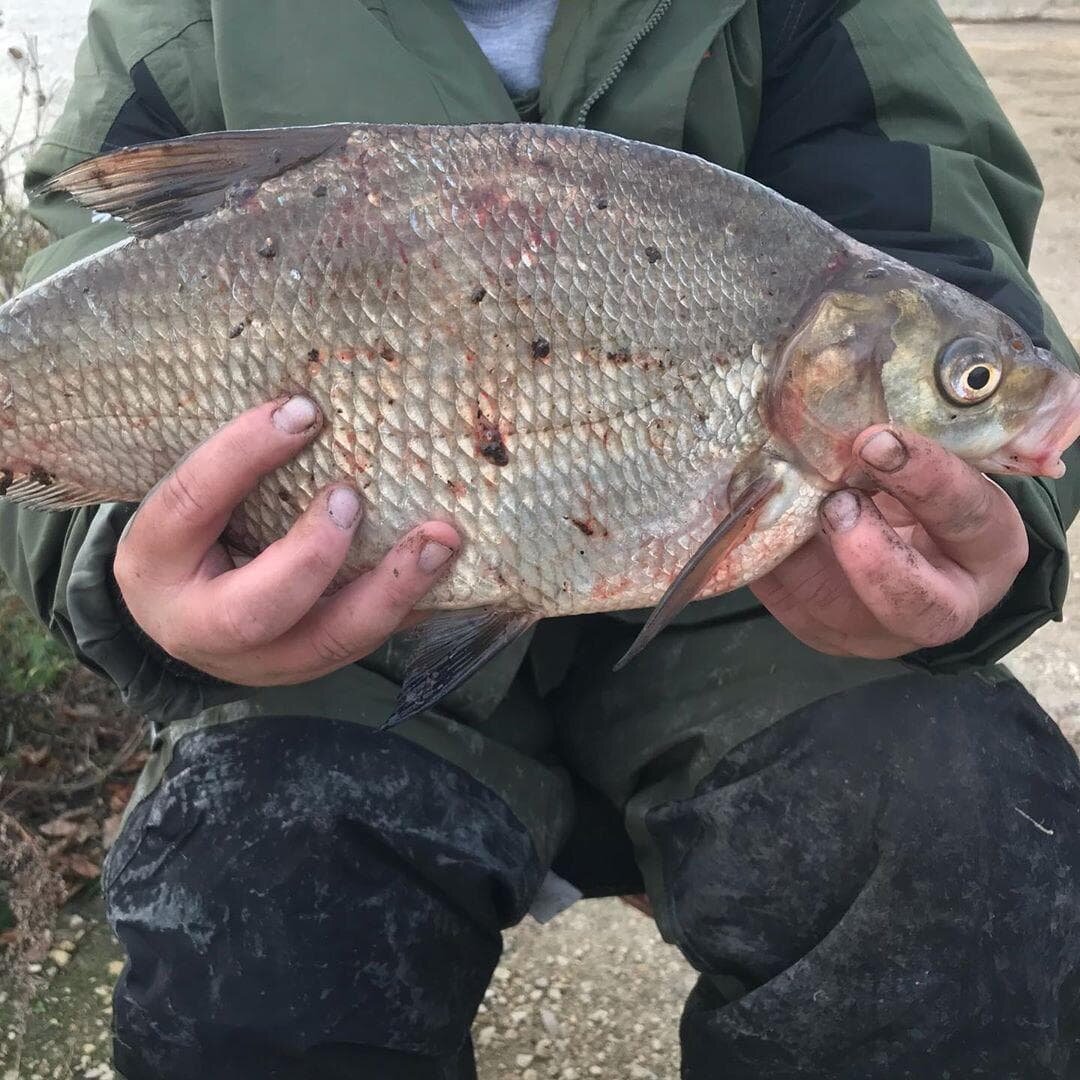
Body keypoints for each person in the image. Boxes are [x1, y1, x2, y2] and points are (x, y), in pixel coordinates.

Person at [4, 0, 1080, 1076]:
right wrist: (137, 575)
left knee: (972, 859)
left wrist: (974, 539)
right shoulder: (183, 20)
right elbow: (73, 310)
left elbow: (942, 244)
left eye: (969, 380)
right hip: (339, 632)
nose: (984, 391)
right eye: (972, 380)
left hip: (770, 620)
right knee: (245, 954)